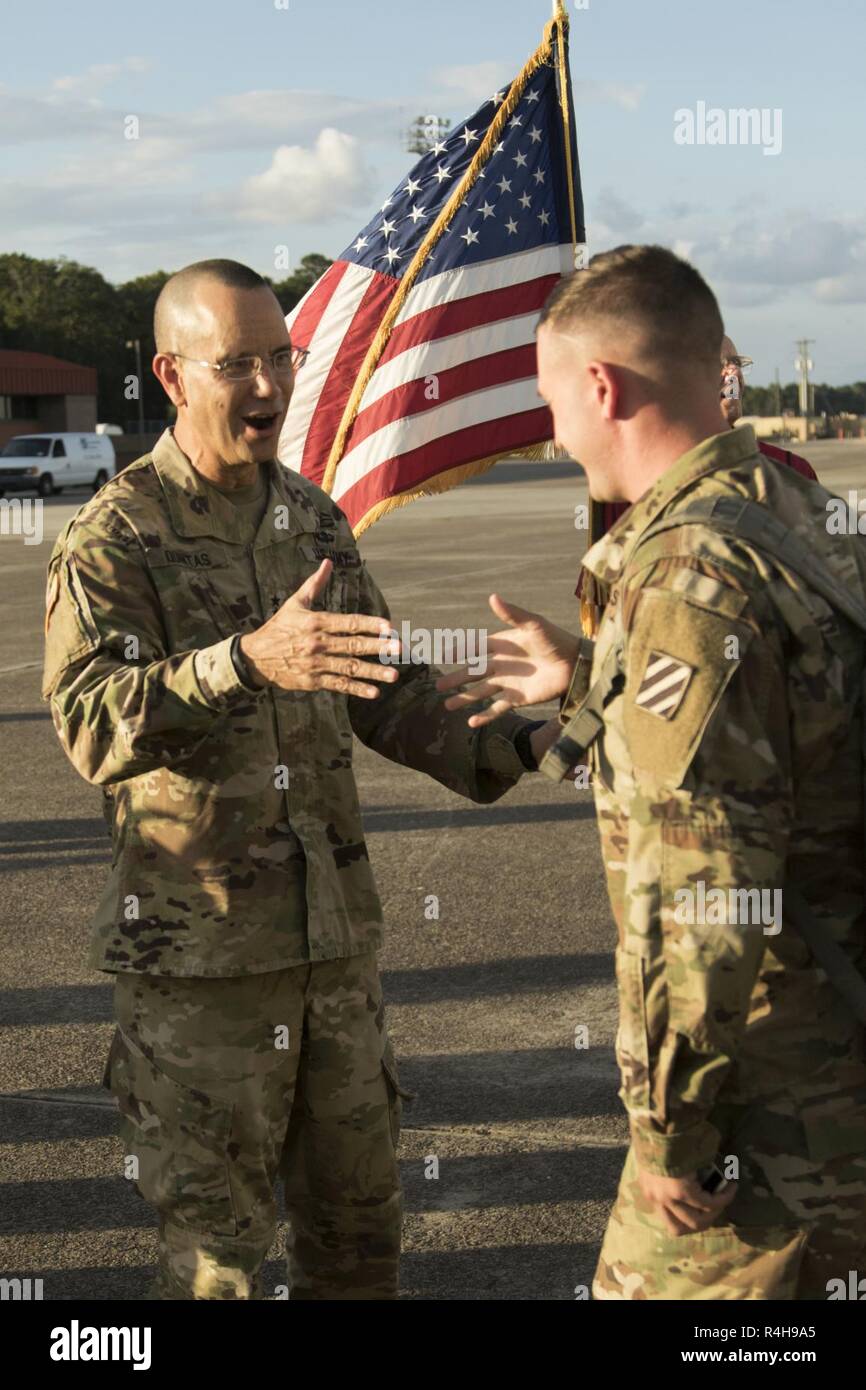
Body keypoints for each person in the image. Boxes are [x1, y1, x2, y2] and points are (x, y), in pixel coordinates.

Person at [42, 258, 548, 1301]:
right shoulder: (116, 536)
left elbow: (387, 694)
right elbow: (91, 720)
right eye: (238, 364)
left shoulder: (311, 522)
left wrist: (542, 738)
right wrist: (241, 662)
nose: (269, 386)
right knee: (218, 1265)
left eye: (282, 358)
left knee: (359, 1242)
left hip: (333, 963)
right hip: (202, 974)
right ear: (170, 375)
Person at [437, 244, 866, 1299]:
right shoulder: (793, 509)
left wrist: (670, 1128)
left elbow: (700, 893)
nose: (548, 426)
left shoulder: (685, 578)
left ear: (599, 387)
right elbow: (794, 720)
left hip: (777, 1093)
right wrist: (595, 676)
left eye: (548, 397)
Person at [576, 334, 817, 633]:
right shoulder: (632, 484)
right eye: (719, 365)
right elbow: (609, 612)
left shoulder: (790, 469)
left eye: (737, 364)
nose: (734, 374)